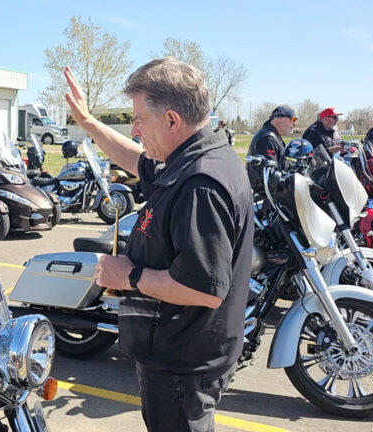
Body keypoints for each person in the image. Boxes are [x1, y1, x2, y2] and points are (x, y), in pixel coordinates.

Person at [64, 59, 253, 432]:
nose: (135, 130)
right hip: (183, 357)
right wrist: (88, 123)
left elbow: (203, 288)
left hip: (182, 367)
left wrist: (129, 275)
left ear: (171, 120)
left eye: (139, 120)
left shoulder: (201, 183)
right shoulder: (192, 157)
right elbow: (135, 160)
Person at [247, 104, 297, 179]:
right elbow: (271, 176)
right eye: (293, 119)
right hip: (265, 190)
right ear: (280, 118)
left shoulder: (273, 135)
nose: (295, 123)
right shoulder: (268, 139)